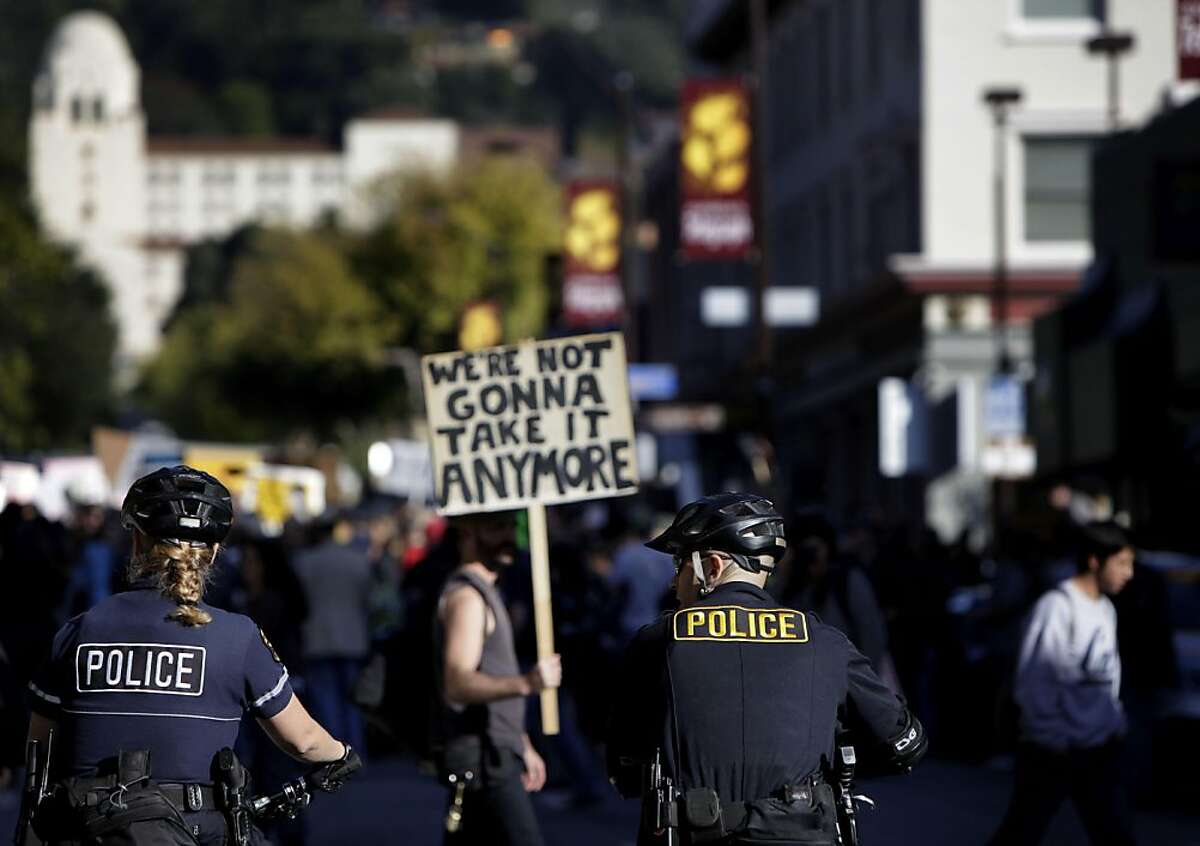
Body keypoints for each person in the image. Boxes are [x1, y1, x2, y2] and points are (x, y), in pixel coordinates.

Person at [24, 466, 361, 846]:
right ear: (214, 553)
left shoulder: (79, 630)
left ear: (136, 543)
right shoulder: (237, 636)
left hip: (87, 830)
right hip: (196, 831)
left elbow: (39, 748)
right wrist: (342, 754)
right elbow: (303, 741)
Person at [607, 493, 926, 845]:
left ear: (711, 567)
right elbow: (905, 744)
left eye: (680, 563)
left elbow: (624, 767)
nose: (674, 582)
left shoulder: (658, 642)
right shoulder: (824, 641)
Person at [989, 520, 1137, 846]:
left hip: (1096, 748)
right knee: (1021, 832)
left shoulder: (1105, 609)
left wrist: (1113, 724)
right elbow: (1035, 681)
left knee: (1113, 833)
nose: (1129, 573)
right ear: (1095, 560)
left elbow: (1107, 678)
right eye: (1122, 563)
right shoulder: (1056, 607)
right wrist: (1054, 739)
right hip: (1054, 751)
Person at [433, 511, 561, 846]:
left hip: (496, 750)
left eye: (509, 526)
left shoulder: (487, 590)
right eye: (495, 528)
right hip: (483, 759)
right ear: (466, 534)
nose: (507, 536)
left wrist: (522, 743)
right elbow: (457, 682)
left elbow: (491, 676)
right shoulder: (467, 598)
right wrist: (528, 683)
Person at [291, 513, 372, 759]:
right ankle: (358, 753)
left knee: (326, 703)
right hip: (352, 637)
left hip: (317, 637)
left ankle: (336, 756)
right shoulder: (357, 560)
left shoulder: (304, 561)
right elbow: (367, 599)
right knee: (353, 702)